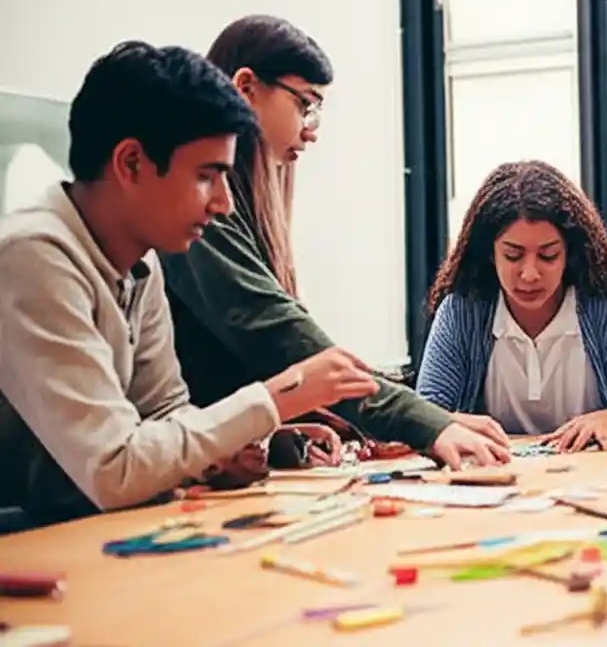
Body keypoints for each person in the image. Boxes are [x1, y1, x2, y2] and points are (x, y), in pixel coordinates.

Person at [0, 41, 379, 522]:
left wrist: (243, 444)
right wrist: (277, 398)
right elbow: (115, 469)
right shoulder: (32, 255)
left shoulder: (142, 262)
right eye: (207, 176)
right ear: (131, 163)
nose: (223, 203)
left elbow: (165, 415)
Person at [158, 15, 509, 469]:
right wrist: (426, 423)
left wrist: (283, 431)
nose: (311, 129)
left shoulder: (239, 208)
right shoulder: (196, 215)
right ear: (245, 89)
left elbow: (261, 365)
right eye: (304, 105)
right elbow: (285, 339)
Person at [416, 160, 607, 452]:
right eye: (513, 256)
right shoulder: (462, 312)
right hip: (493, 479)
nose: (530, 274)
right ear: (490, 254)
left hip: (593, 477)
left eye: (548, 256)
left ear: (569, 254)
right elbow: (423, 413)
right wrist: (449, 421)